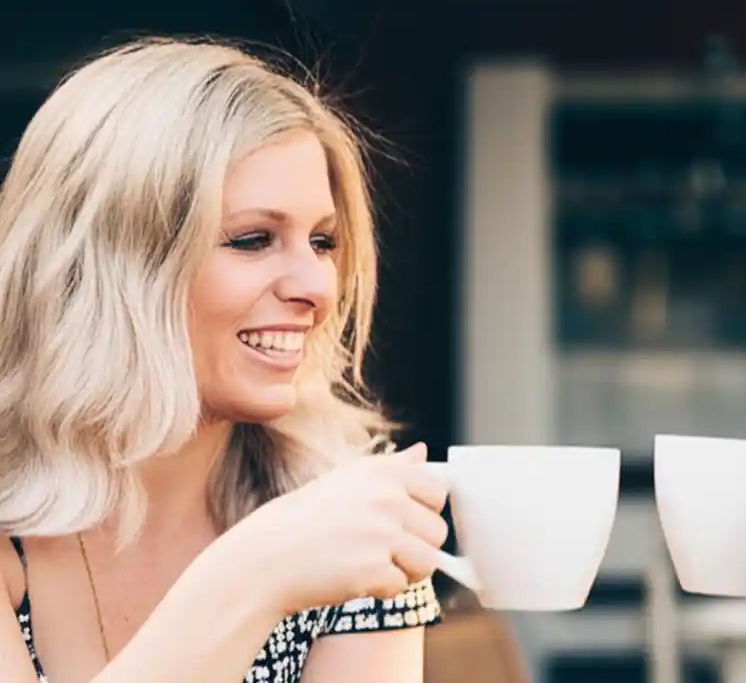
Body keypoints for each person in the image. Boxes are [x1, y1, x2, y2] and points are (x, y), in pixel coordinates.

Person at [0, 38, 451, 683]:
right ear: (108, 268)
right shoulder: (302, 538)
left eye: (322, 241)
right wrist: (254, 572)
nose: (317, 287)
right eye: (251, 239)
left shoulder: (340, 523)